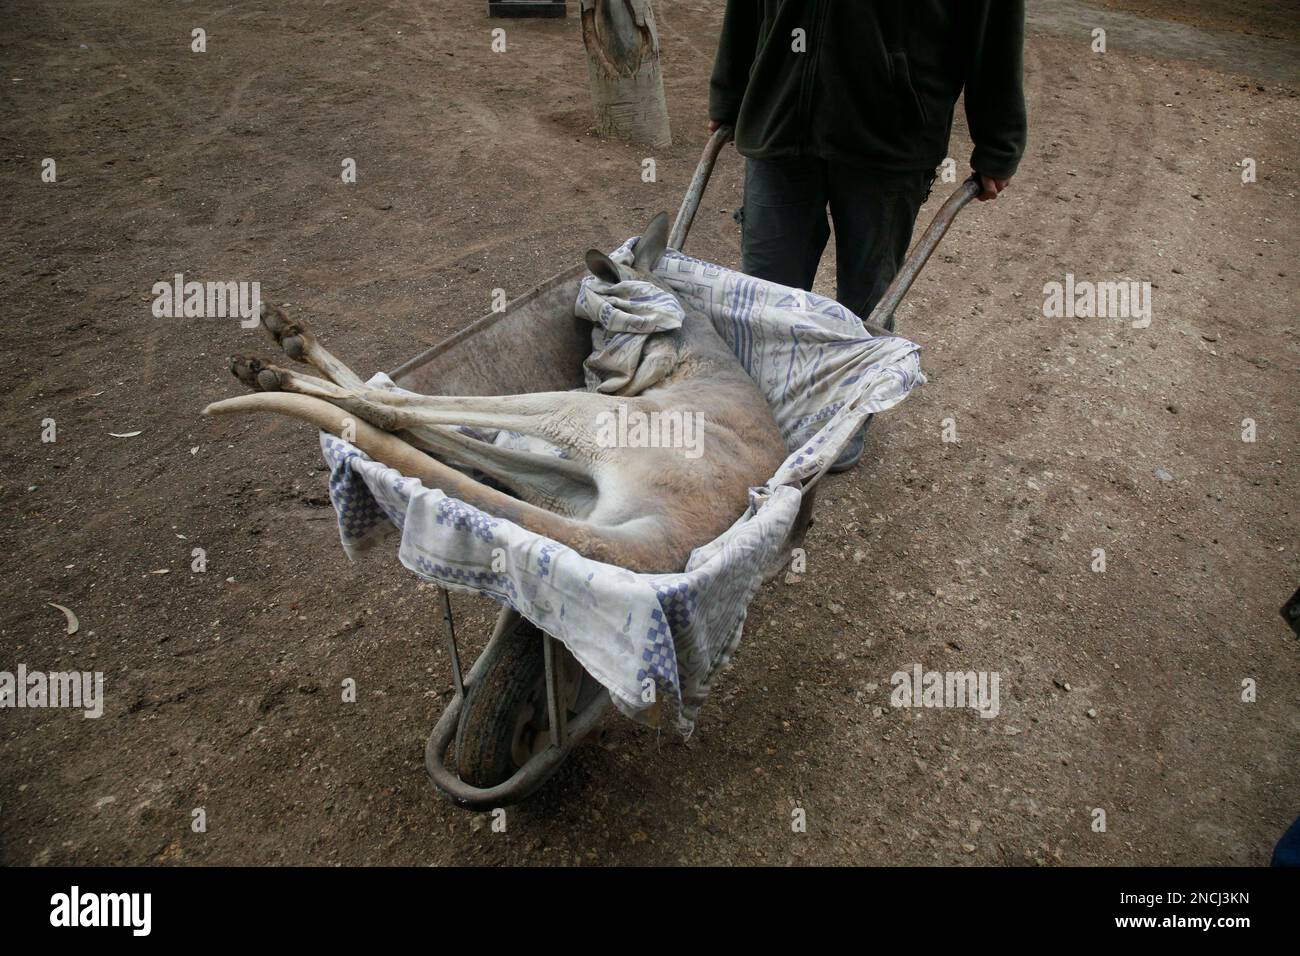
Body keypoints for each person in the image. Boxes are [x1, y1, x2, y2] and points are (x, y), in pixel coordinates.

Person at [708, 0, 1027, 470]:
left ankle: (844, 417)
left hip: (889, 135)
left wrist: (998, 140)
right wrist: (730, 93)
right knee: (764, 291)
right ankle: (761, 414)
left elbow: (992, 23)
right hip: (779, 115)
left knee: (866, 295)